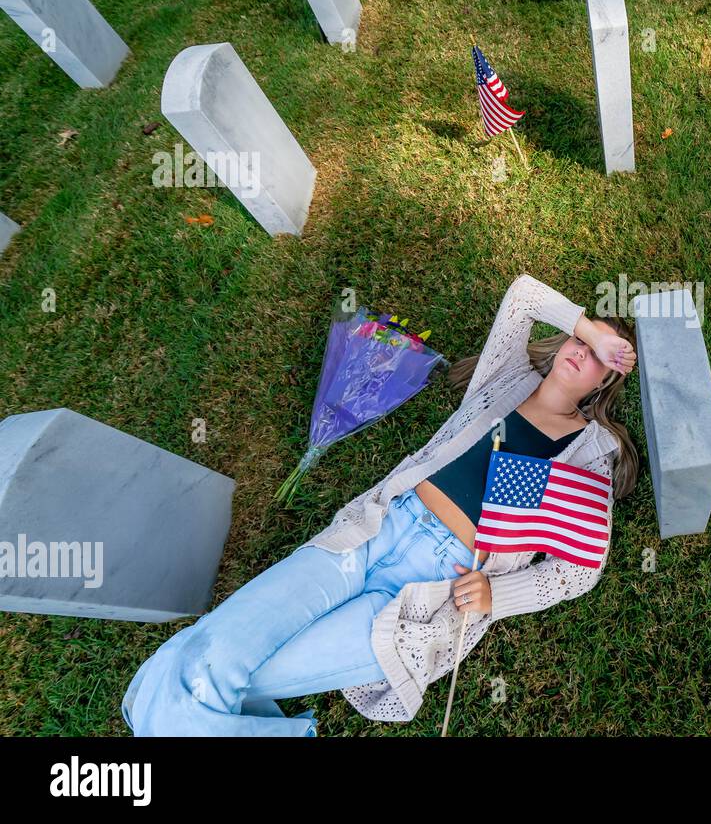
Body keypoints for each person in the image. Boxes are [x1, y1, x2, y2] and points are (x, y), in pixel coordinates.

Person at [121, 274, 637, 735]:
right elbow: (524, 295)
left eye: (601, 359)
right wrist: (594, 330)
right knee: (212, 653)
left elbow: (579, 569)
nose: (584, 354)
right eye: (582, 341)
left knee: (219, 670)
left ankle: (161, 712)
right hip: (375, 530)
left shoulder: (590, 450)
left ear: (606, 382)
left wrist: (497, 597)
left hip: (427, 590)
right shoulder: (506, 380)